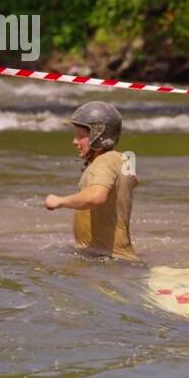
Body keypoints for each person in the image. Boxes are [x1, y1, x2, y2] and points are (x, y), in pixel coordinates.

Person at [44, 101, 139, 261]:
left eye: (81, 136)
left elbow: (96, 196)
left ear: (99, 137)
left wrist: (59, 201)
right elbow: (134, 180)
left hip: (107, 262)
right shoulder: (121, 159)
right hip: (118, 260)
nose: (75, 141)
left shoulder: (104, 162)